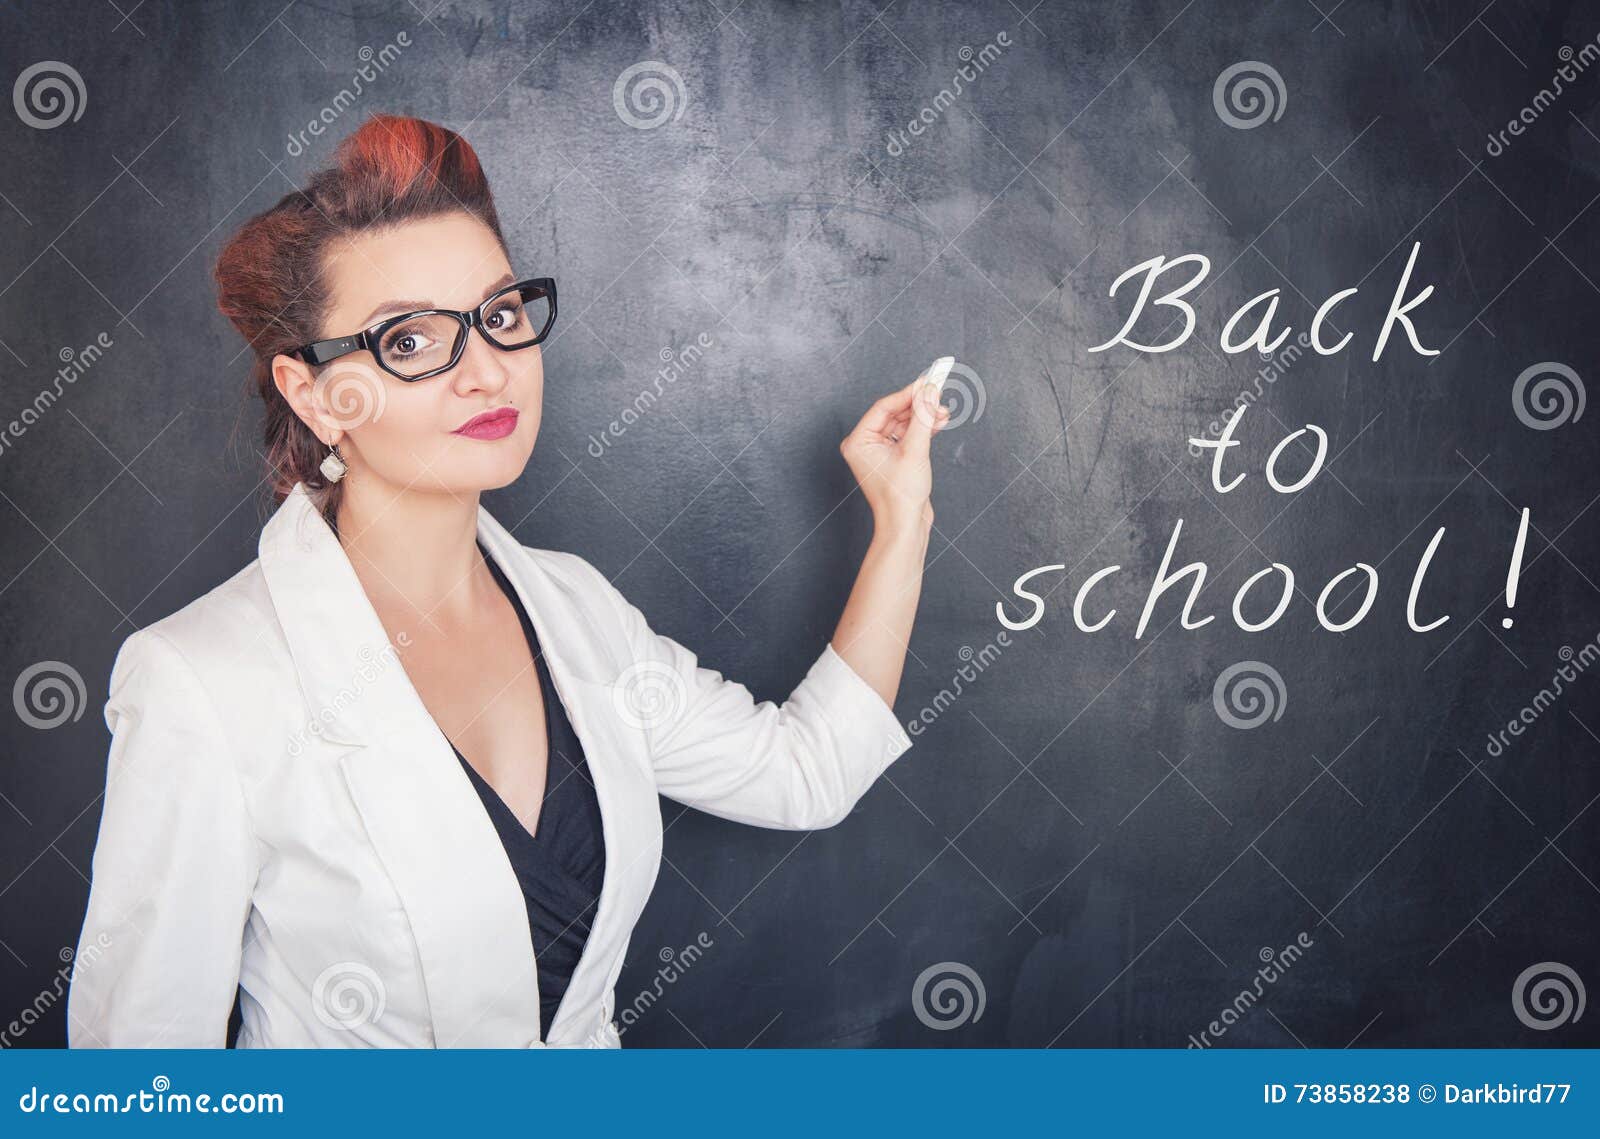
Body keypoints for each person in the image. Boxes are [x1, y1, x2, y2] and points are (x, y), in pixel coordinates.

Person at [66, 113, 950, 1047]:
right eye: (407, 340)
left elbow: (804, 774)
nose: (488, 371)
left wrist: (903, 523)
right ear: (314, 394)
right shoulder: (202, 681)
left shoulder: (578, 611)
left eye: (498, 315)